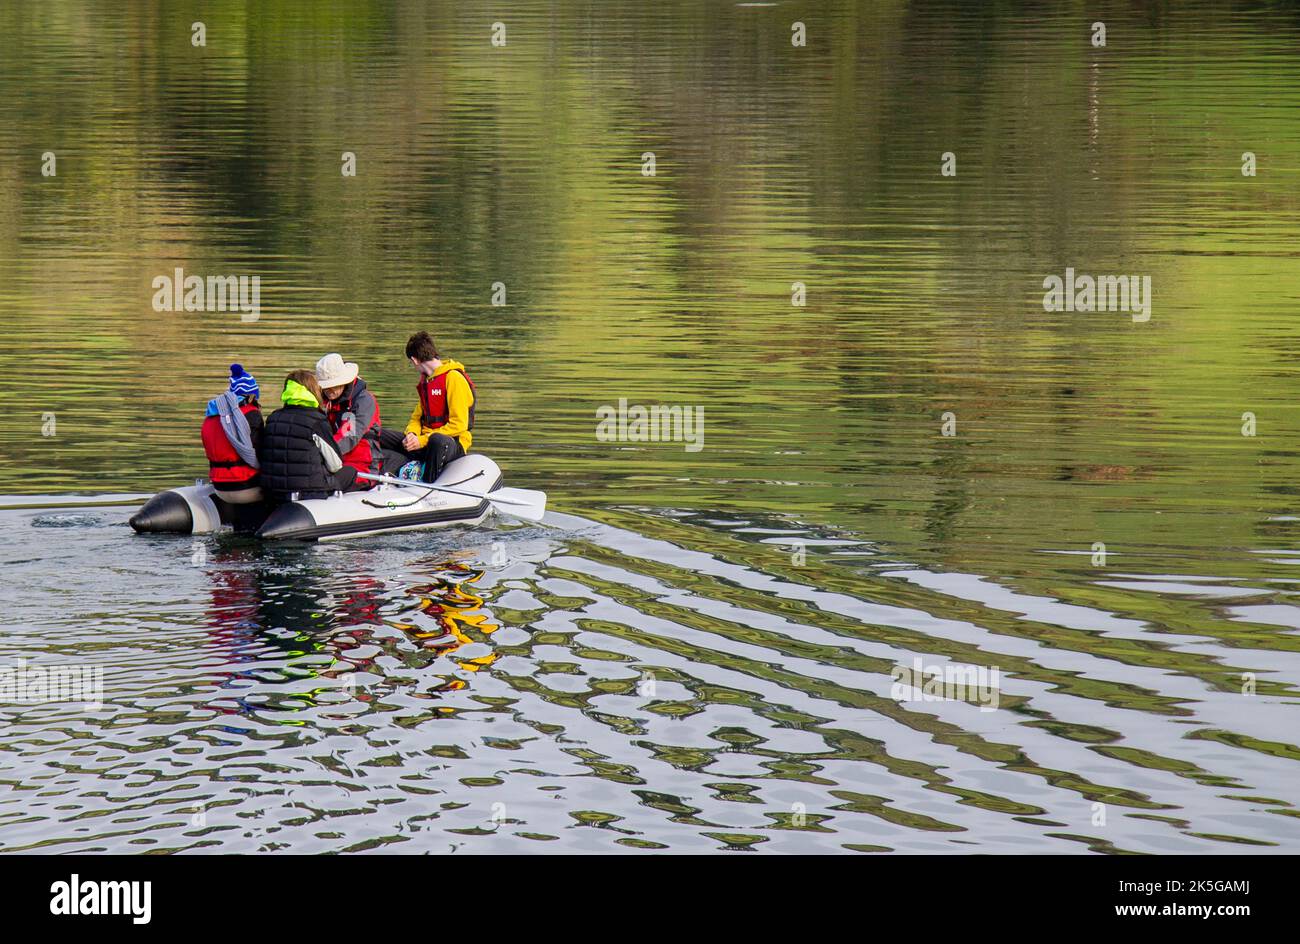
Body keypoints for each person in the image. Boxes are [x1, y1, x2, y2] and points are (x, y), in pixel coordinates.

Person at [378, 331, 476, 483]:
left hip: (451, 443)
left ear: (415, 360)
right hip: (424, 441)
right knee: (378, 434)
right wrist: (411, 435)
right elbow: (416, 418)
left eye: (411, 363)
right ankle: (386, 473)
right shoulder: (427, 382)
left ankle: (428, 483)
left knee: (437, 440)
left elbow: (459, 425)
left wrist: (422, 440)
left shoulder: (454, 378)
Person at [257, 370, 356, 501]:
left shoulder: (273, 417)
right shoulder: (317, 421)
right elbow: (335, 464)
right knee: (350, 472)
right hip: (308, 492)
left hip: (273, 491)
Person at [315, 352, 381, 490]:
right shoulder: (325, 401)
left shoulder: (364, 401)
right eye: (325, 387)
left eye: (333, 385)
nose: (328, 390)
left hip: (362, 466)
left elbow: (349, 435)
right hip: (333, 462)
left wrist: (323, 455)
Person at [200, 364, 264, 504]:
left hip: (219, 487)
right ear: (251, 395)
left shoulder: (211, 415)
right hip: (247, 485)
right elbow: (260, 452)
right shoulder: (251, 414)